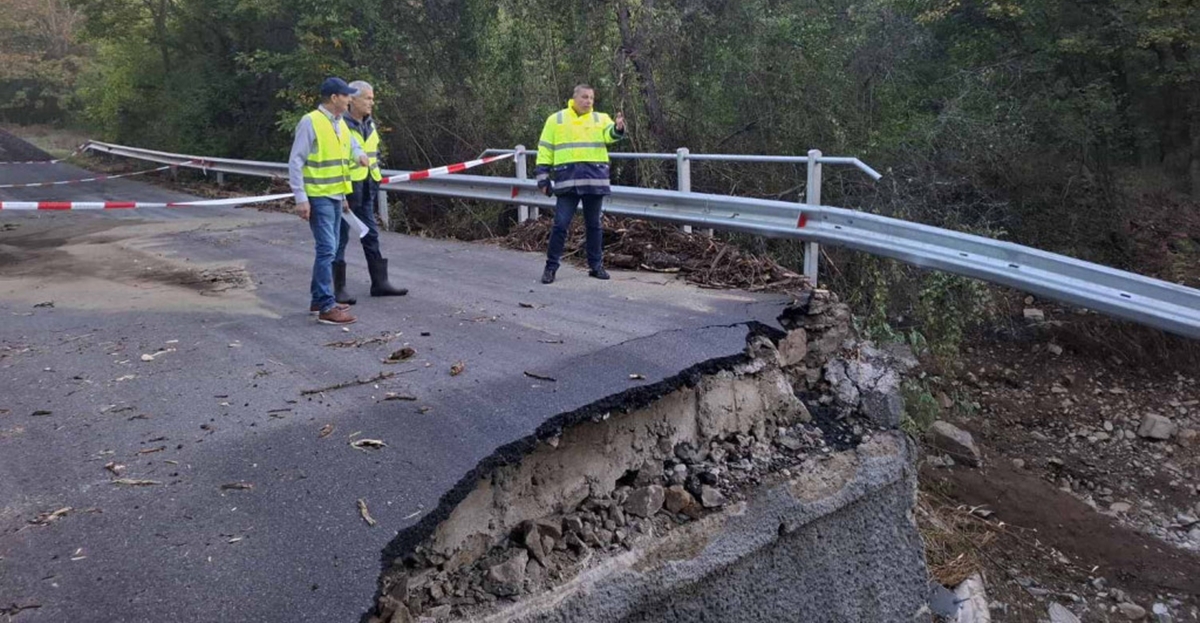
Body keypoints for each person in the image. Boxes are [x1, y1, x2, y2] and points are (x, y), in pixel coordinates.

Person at [289, 77, 369, 325]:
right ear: (334, 98)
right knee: (326, 250)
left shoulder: (339, 125)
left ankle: (319, 299)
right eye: (346, 96)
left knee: (331, 249)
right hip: (318, 196)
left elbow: (348, 154)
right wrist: (301, 198)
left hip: (335, 196)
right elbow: (296, 161)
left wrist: (345, 194)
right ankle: (325, 306)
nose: (349, 99)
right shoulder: (310, 122)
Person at [535, 84, 626, 284]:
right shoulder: (556, 120)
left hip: (594, 181)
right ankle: (551, 268)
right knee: (560, 225)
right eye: (585, 97)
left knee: (594, 226)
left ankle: (595, 266)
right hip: (567, 182)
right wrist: (542, 177)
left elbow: (610, 135)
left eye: (591, 98)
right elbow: (545, 149)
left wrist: (618, 128)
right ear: (574, 98)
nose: (588, 101)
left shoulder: (600, 118)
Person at [332, 80, 407, 305]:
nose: (371, 103)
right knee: (340, 238)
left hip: (367, 188)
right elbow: (336, 161)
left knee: (371, 234)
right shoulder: (339, 125)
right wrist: (342, 195)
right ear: (352, 100)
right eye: (368, 98)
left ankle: (379, 283)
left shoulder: (370, 124)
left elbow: (373, 155)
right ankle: (338, 289)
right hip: (346, 190)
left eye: (372, 98)